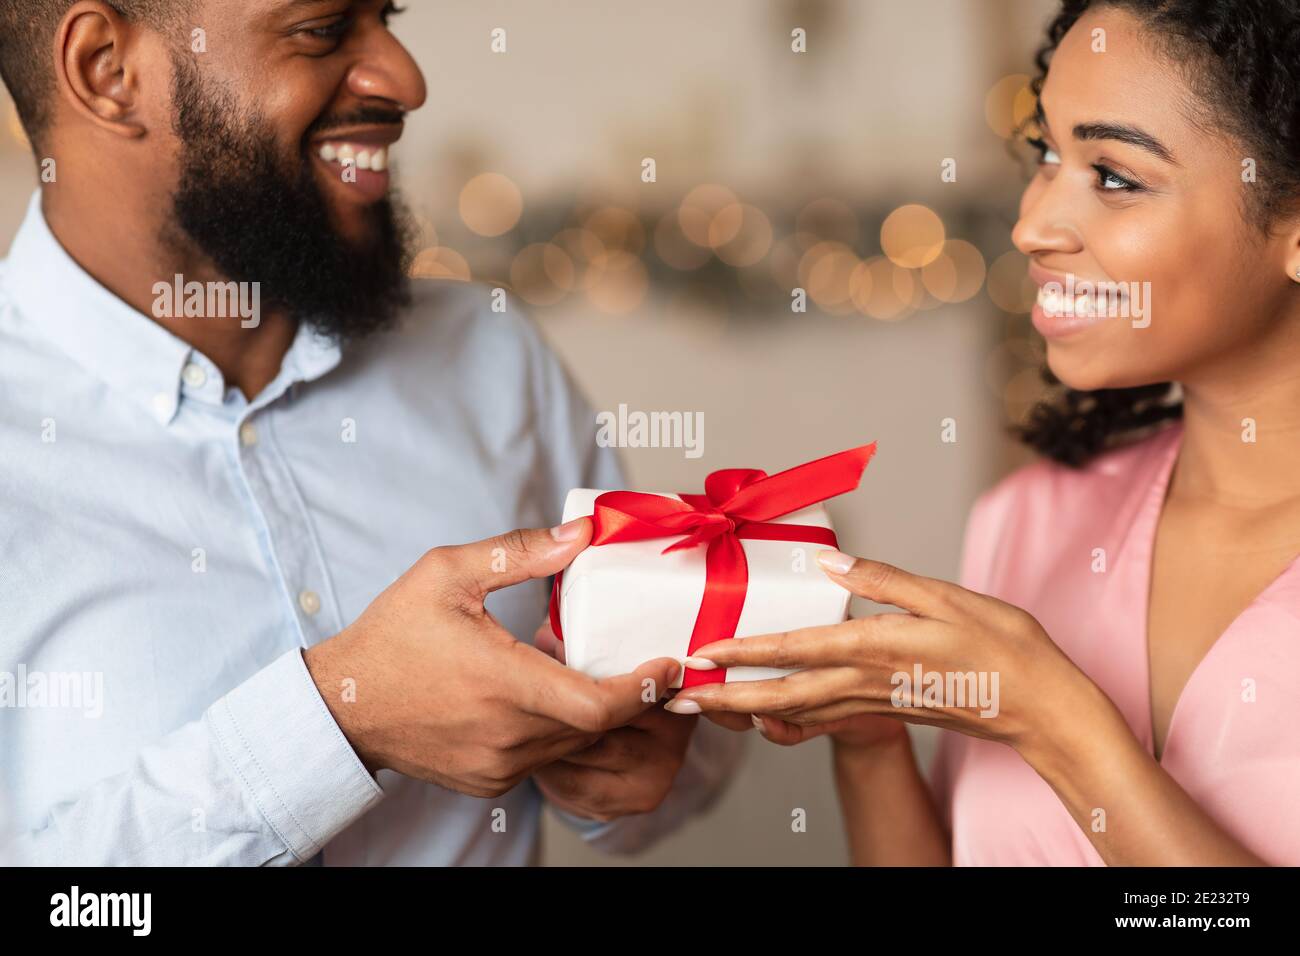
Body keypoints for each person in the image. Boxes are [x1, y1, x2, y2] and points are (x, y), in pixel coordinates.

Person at [0, 0, 741, 865]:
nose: (405, 80)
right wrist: (344, 724)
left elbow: (671, 779)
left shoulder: (491, 357)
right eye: (322, 30)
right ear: (106, 70)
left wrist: (634, 769)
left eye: (386, 17)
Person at [664, 0, 1300, 866]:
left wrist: (1058, 724)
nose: (1031, 226)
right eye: (1046, 154)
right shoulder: (1028, 520)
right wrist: (870, 737)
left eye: (1113, 175)